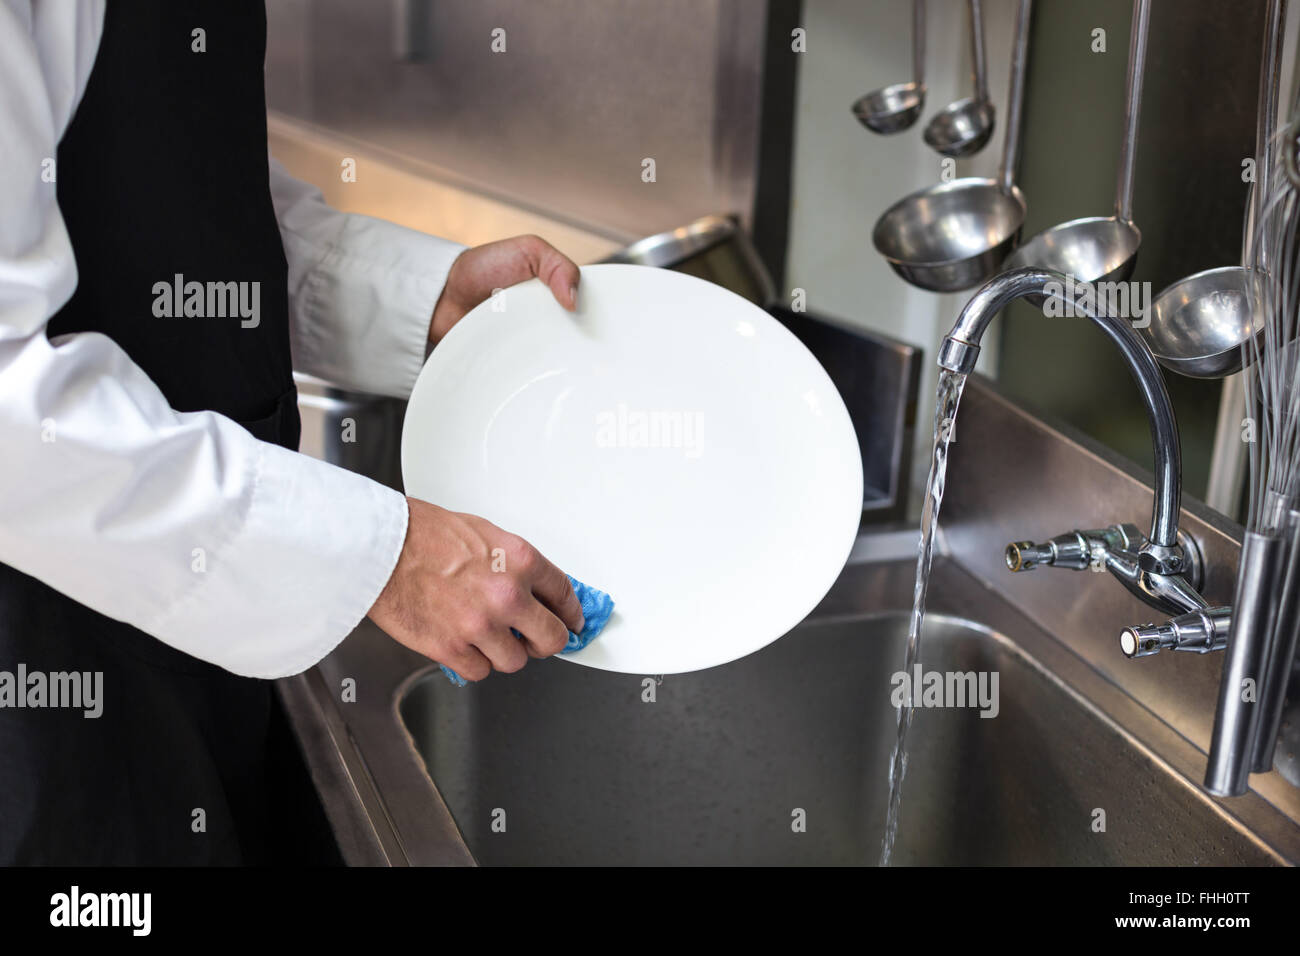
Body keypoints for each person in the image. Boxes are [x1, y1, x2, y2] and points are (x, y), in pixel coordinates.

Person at [1, 0, 586, 864]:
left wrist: (424, 300)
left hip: (194, 634)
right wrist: (380, 555)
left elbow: (169, 195)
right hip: (47, 662)